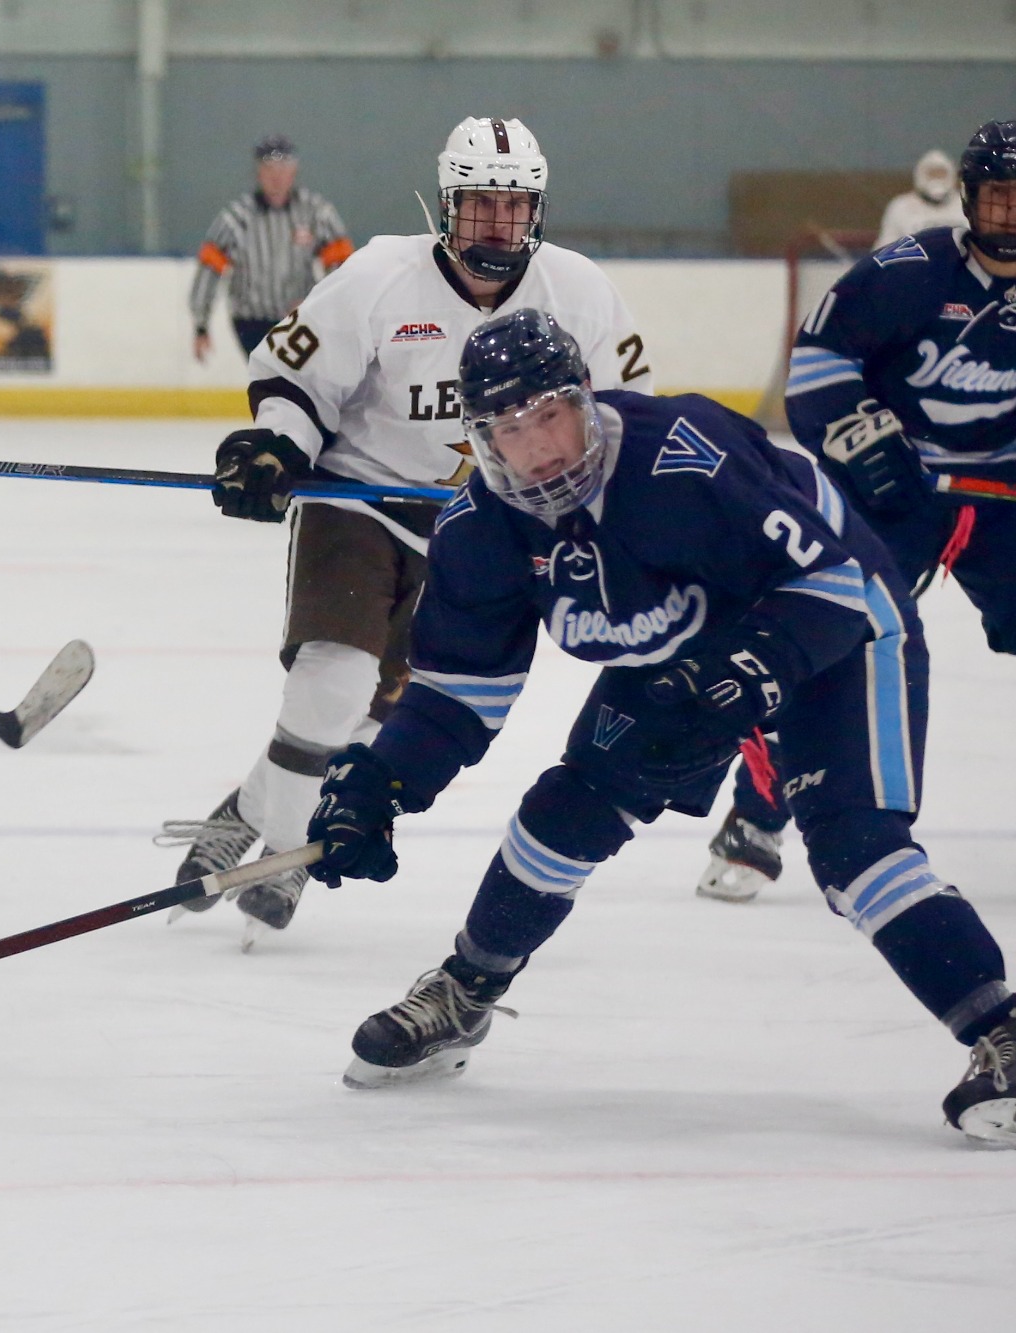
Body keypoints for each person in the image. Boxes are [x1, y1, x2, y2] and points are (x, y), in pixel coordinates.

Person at [302, 308, 1016, 1146]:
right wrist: (382, 783)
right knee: (566, 810)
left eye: (551, 415)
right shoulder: (479, 530)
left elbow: (831, 585)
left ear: (583, 398)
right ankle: (465, 992)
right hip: (679, 658)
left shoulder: (685, 453)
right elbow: (460, 691)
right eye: (511, 428)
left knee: (855, 846)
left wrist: (751, 668)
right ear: (481, 437)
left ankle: (1013, 1043)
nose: (543, 447)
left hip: (838, 627)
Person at [159, 116, 651, 947]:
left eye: (515, 206)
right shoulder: (381, 274)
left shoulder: (580, 292)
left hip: (488, 530)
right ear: (446, 204)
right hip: (359, 502)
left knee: (387, 716)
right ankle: (283, 852)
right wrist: (275, 445)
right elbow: (295, 374)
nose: (497, 224)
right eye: (480, 205)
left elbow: (624, 414)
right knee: (331, 682)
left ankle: (251, 807)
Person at [697, 119, 1016, 904]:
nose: (1014, 215)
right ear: (972, 199)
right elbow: (818, 362)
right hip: (895, 491)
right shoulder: (906, 271)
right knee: (826, 640)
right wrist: (864, 439)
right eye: (1000, 197)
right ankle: (755, 821)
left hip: (1002, 487)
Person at [188, 135, 354, 363]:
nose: (276, 176)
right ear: (258, 172)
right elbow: (209, 270)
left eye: (283, 167)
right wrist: (201, 325)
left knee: (300, 384)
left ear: (294, 171)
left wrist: (327, 306)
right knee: (272, 380)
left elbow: (342, 267)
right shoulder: (237, 218)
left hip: (301, 317)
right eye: (269, 168)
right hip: (251, 320)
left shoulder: (315, 212)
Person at [876, 149, 966, 249]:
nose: (937, 180)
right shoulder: (900, 207)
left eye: (941, 174)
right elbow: (885, 248)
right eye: (932, 174)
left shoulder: (967, 204)